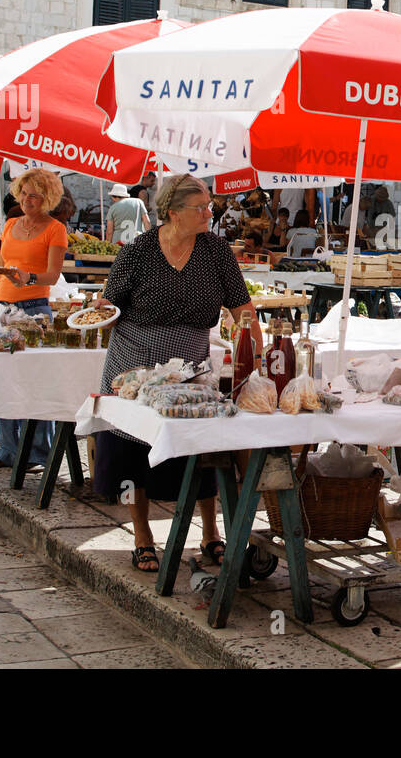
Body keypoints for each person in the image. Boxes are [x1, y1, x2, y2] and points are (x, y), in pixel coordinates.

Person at [92, 174, 262, 572]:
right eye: (200, 207)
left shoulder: (217, 252)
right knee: (131, 452)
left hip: (189, 363)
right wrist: (94, 311)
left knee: (200, 445)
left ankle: (210, 533)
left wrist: (253, 349)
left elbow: (242, 308)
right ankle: (142, 535)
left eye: (209, 206)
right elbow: (107, 303)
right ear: (172, 212)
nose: (209, 212)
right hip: (132, 363)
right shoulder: (138, 252)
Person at [0, 169, 68, 471]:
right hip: (1, 308)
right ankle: (8, 448)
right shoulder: (10, 224)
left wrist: (28, 277)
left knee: (36, 380)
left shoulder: (55, 228)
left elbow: (53, 275)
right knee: (3, 378)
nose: (28, 199)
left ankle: (39, 452)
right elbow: (0, 267)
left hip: (33, 310)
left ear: (47, 198)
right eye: (24, 192)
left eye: (35, 195)